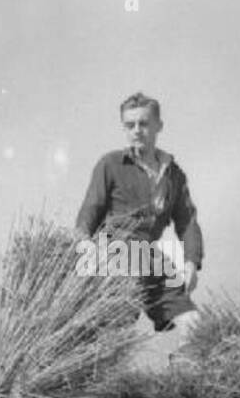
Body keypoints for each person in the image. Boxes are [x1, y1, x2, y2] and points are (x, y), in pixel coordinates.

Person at [75, 92, 204, 333]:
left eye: (143, 124)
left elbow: (187, 222)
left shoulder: (174, 174)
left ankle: (183, 365)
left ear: (159, 126)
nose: (136, 130)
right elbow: (90, 209)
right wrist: (85, 250)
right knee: (113, 332)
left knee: (196, 324)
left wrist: (191, 263)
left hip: (152, 261)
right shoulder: (111, 164)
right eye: (129, 125)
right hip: (115, 257)